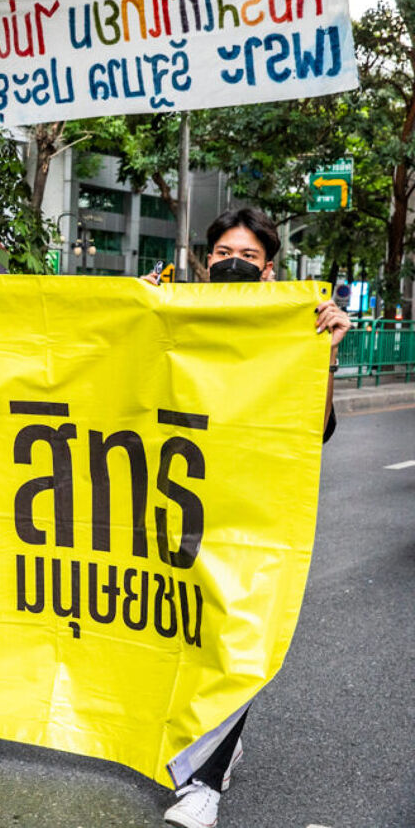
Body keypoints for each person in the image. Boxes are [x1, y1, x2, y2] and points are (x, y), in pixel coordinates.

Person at [145, 208, 348, 828]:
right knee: (177, 632)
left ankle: (205, 784)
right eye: (222, 251)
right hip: (174, 503)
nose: (232, 260)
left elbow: (315, 429)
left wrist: (325, 356)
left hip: (249, 515)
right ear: (206, 261)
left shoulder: (293, 328)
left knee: (234, 640)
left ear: (268, 270)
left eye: (248, 254)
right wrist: (134, 317)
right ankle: (206, 748)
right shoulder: (174, 312)